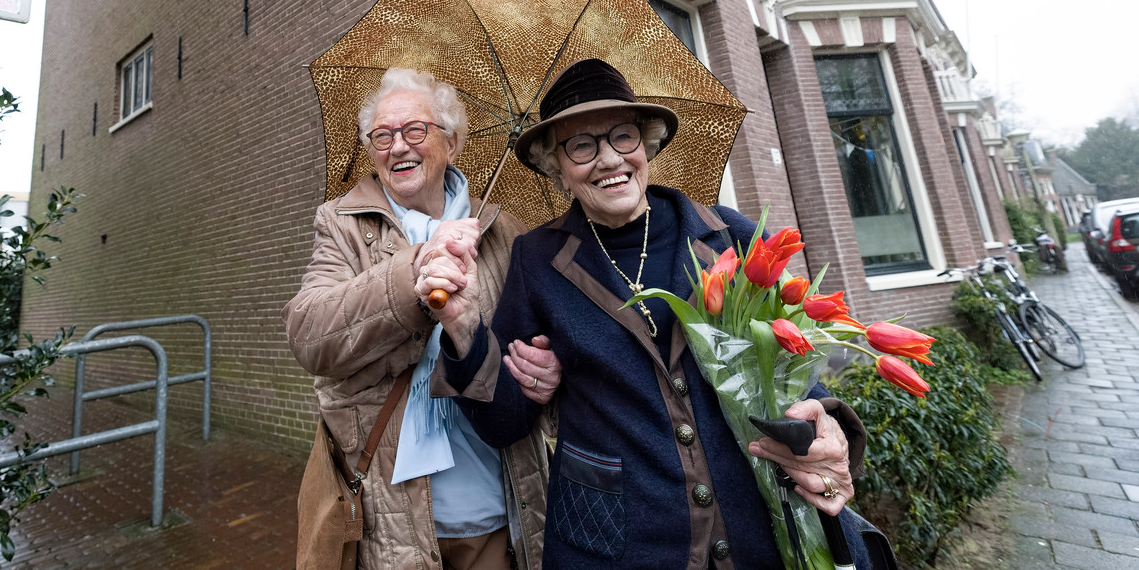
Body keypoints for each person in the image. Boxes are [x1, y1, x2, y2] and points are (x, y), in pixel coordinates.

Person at [426, 59, 891, 569]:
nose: (607, 159)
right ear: (556, 169)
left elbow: (790, 369)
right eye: (580, 146)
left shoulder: (729, 236)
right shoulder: (537, 261)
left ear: (646, 146)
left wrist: (827, 424)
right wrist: (465, 326)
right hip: (615, 546)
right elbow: (503, 422)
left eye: (622, 136)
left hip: (755, 532)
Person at [284, 68, 558, 570]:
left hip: (496, 510)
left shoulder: (508, 234)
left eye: (415, 130)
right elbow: (310, 334)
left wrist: (547, 367)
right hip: (391, 521)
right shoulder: (341, 225)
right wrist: (413, 269)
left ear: (451, 142)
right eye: (382, 136)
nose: (398, 147)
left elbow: (539, 349)